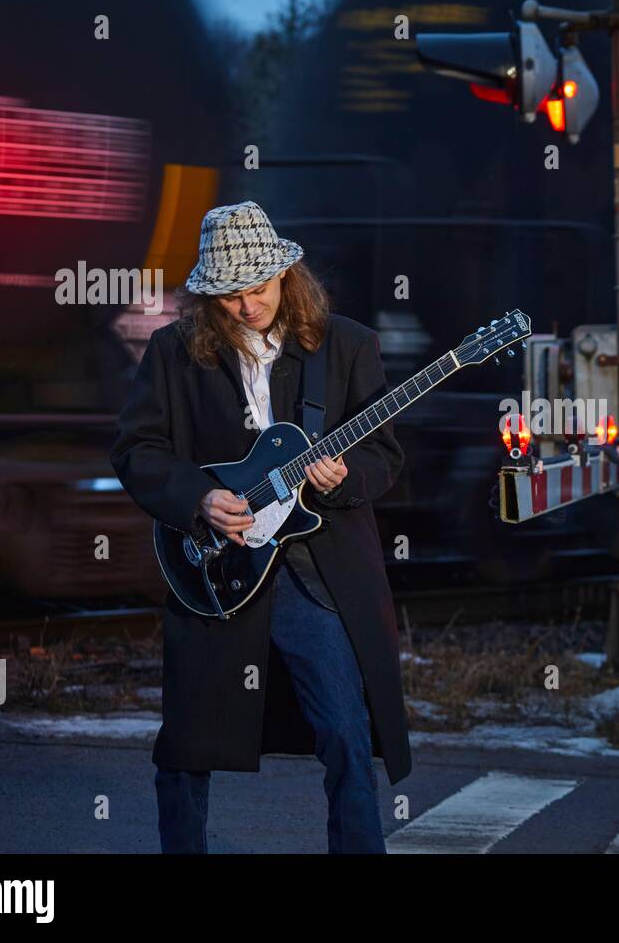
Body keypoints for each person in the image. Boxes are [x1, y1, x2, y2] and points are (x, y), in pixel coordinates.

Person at [110, 200, 411, 853]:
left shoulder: (348, 345)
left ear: (287, 277)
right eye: (232, 297)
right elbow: (137, 451)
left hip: (315, 569)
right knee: (187, 745)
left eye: (260, 289)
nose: (249, 306)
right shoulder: (172, 352)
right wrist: (201, 498)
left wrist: (345, 476)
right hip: (214, 568)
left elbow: (383, 455)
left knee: (345, 734)